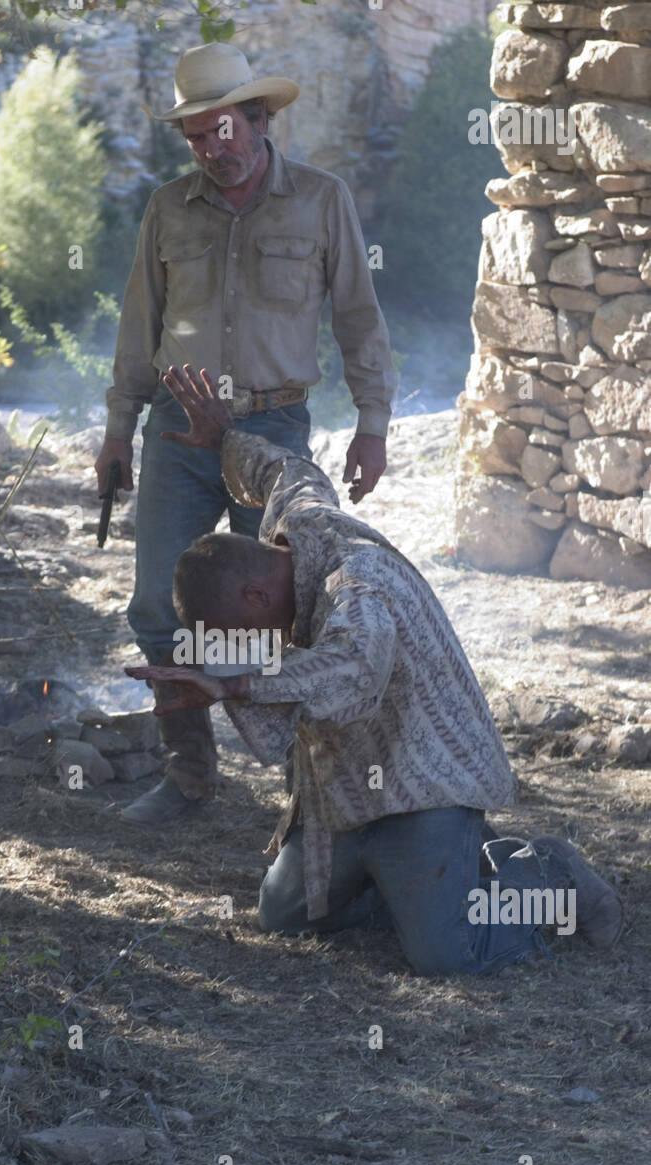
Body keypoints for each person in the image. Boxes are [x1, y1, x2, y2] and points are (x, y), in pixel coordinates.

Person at [125, 365, 623, 977]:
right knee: (285, 916)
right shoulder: (294, 523)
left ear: (256, 596)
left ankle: (543, 873)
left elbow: (352, 670)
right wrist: (224, 438)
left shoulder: (357, 587)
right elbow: (285, 470)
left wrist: (234, 684)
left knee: (448, 953)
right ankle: (419, 888)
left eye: (231, 632)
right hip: (346, 790)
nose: (235, 646)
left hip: (426, 783)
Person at [94, 41, 396, 825]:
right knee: (159, 605)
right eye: (196, 137)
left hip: (276, 426)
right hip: (174, 428)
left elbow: (359, 316)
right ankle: (189, 776)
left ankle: (307, 791)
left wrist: (372, 424)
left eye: (223, 130)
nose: (211, 149)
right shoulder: (167, 207)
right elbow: (140, 324)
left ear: (259, 119)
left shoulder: (322, 200)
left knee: (282, 608)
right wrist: (118, 430)